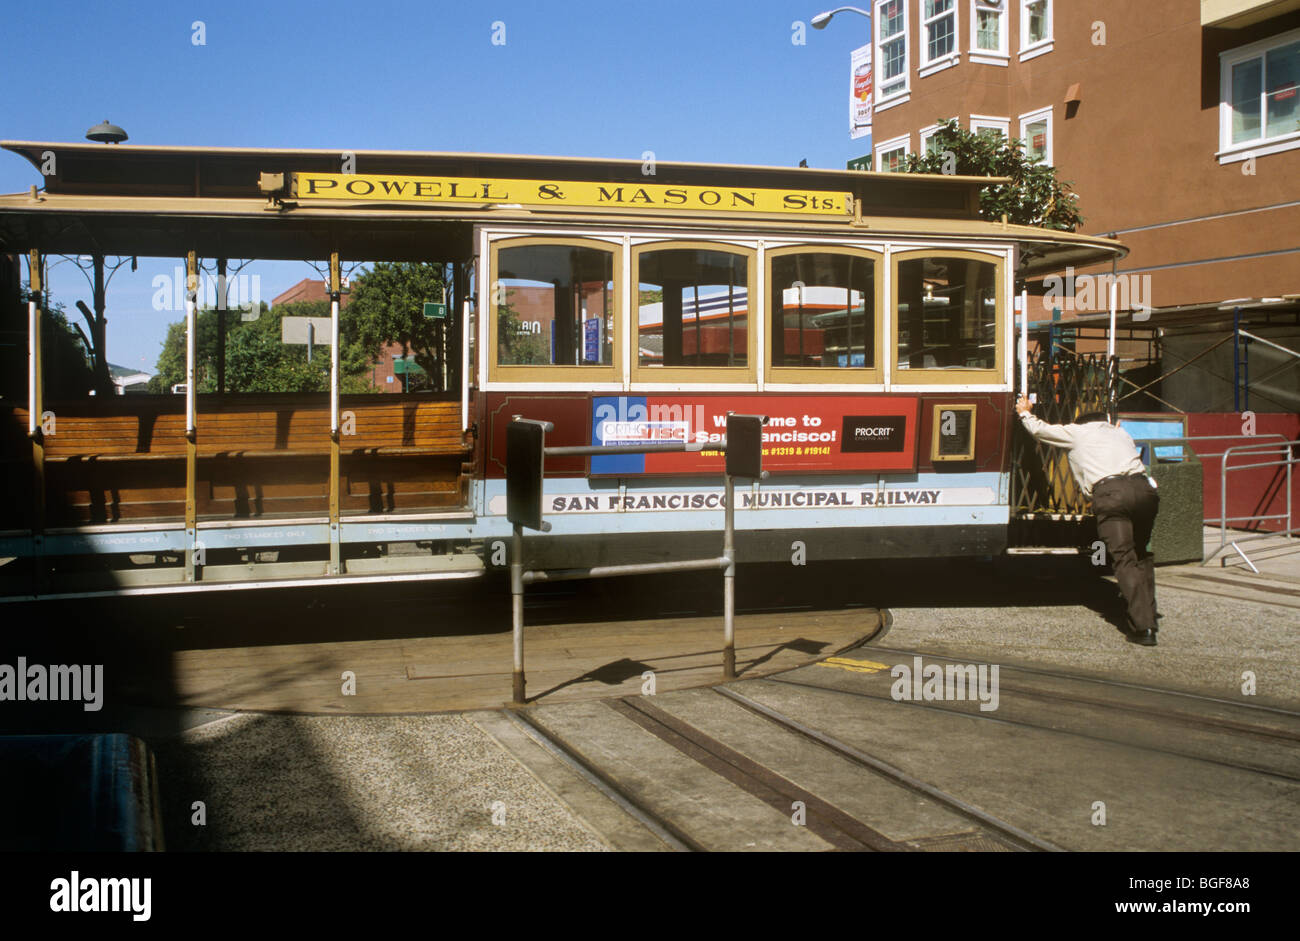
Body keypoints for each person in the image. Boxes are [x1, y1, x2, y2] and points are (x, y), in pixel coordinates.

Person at [1016, 396, 1161, 646]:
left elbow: (1040, 431)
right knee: (1141, 554)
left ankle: (1143, 627)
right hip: (1145, 491)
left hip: (1112, 495)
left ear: (1081, 423)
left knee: (1123, 557)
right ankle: (1148, 616)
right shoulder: (1120, 434)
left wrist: (1025, 412)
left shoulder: (1078, 433)